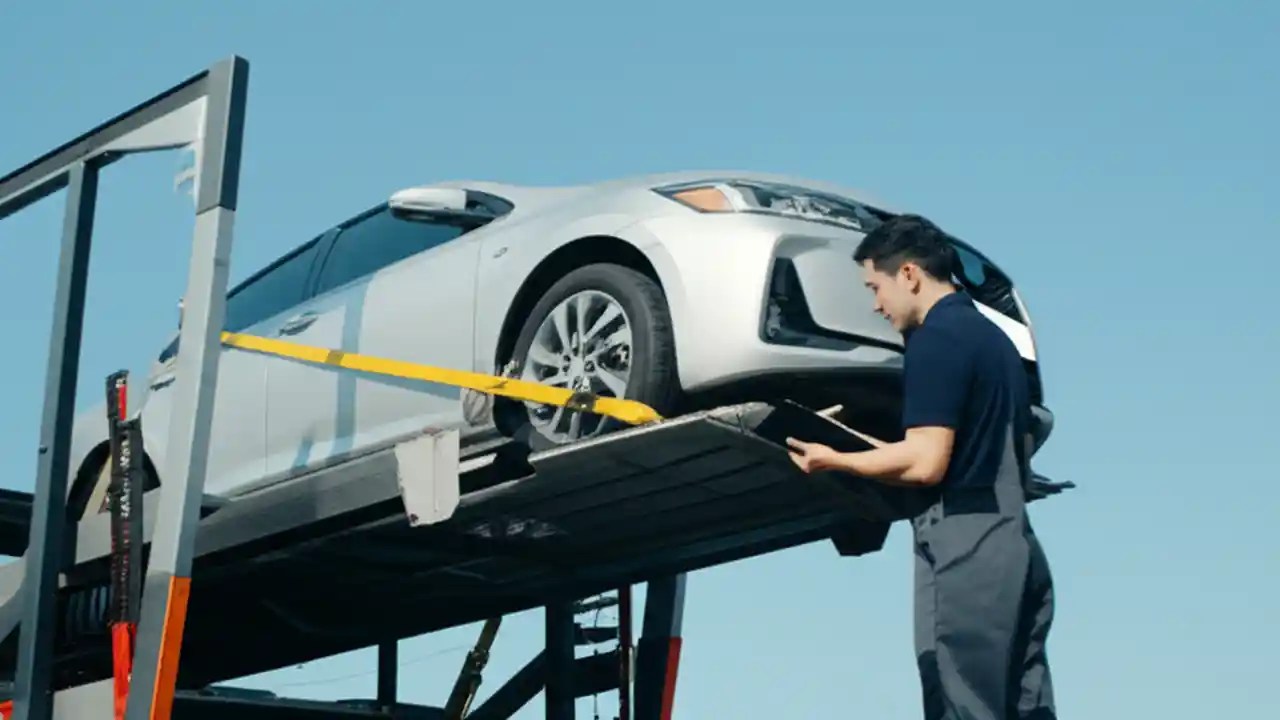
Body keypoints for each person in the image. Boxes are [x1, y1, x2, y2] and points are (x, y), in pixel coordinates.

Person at [786, 214, 1057, 720]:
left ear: (908, 274)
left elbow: (927, 462)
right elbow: (960, 445)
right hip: (1015, 540)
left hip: (965, 544)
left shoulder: (935, 339)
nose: (875, 304)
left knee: (962, 705)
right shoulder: (991, 340)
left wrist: (835, 459)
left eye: (875, 285)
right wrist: (866, 445)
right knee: (1026, 707)